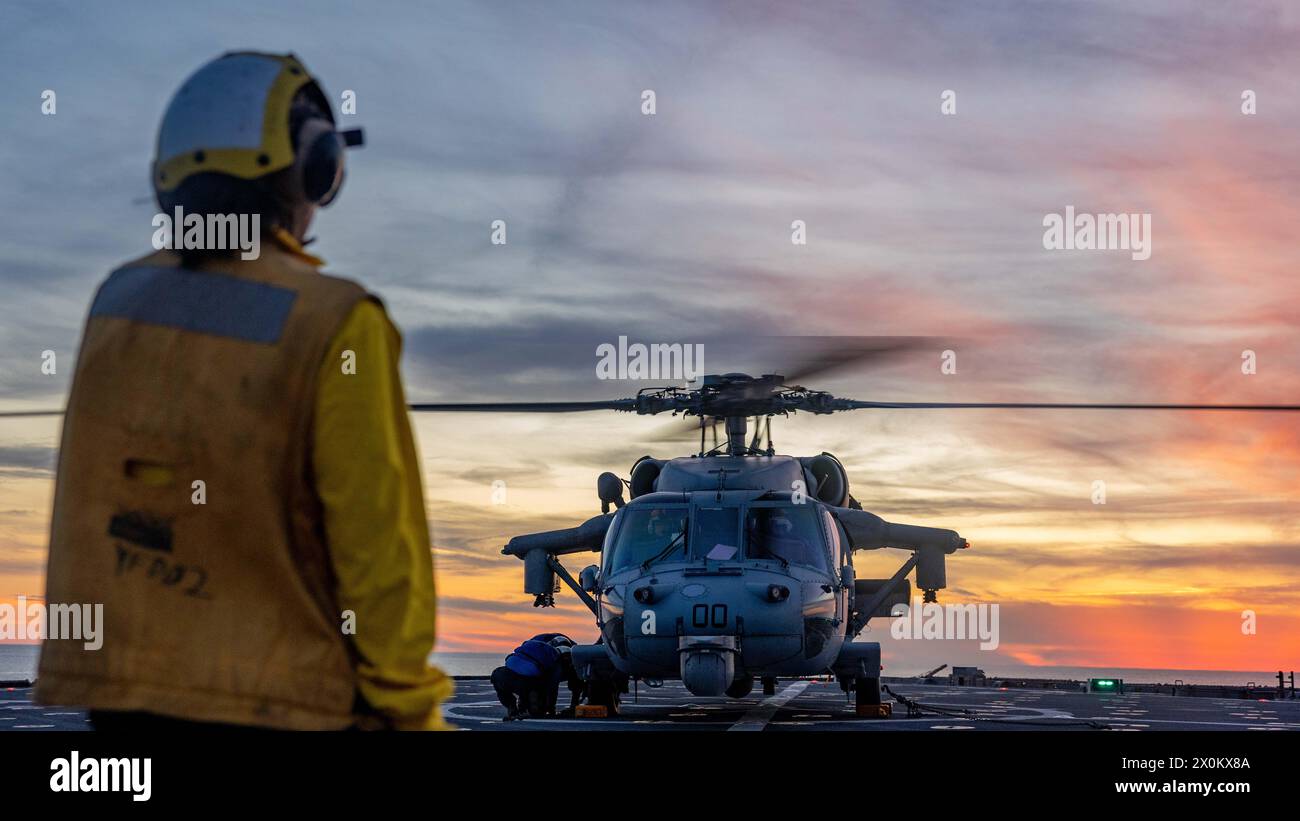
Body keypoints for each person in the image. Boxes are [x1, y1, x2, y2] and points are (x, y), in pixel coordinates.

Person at [34, 51, 451, 730]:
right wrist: (410, 710)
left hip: (121, 706)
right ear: (314, 169)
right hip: (285, 704)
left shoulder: (115, 304)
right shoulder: (335, 320)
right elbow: (378, 554)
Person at [490, 634, 585, 720]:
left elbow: (513, 658)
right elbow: (552, 686)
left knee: (504, 679)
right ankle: (522, 708)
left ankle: (513, 709)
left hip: (501, 674)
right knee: (537, 711)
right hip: (526, 677)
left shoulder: (533, 643)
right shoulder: (556, 657)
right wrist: (552, 710)